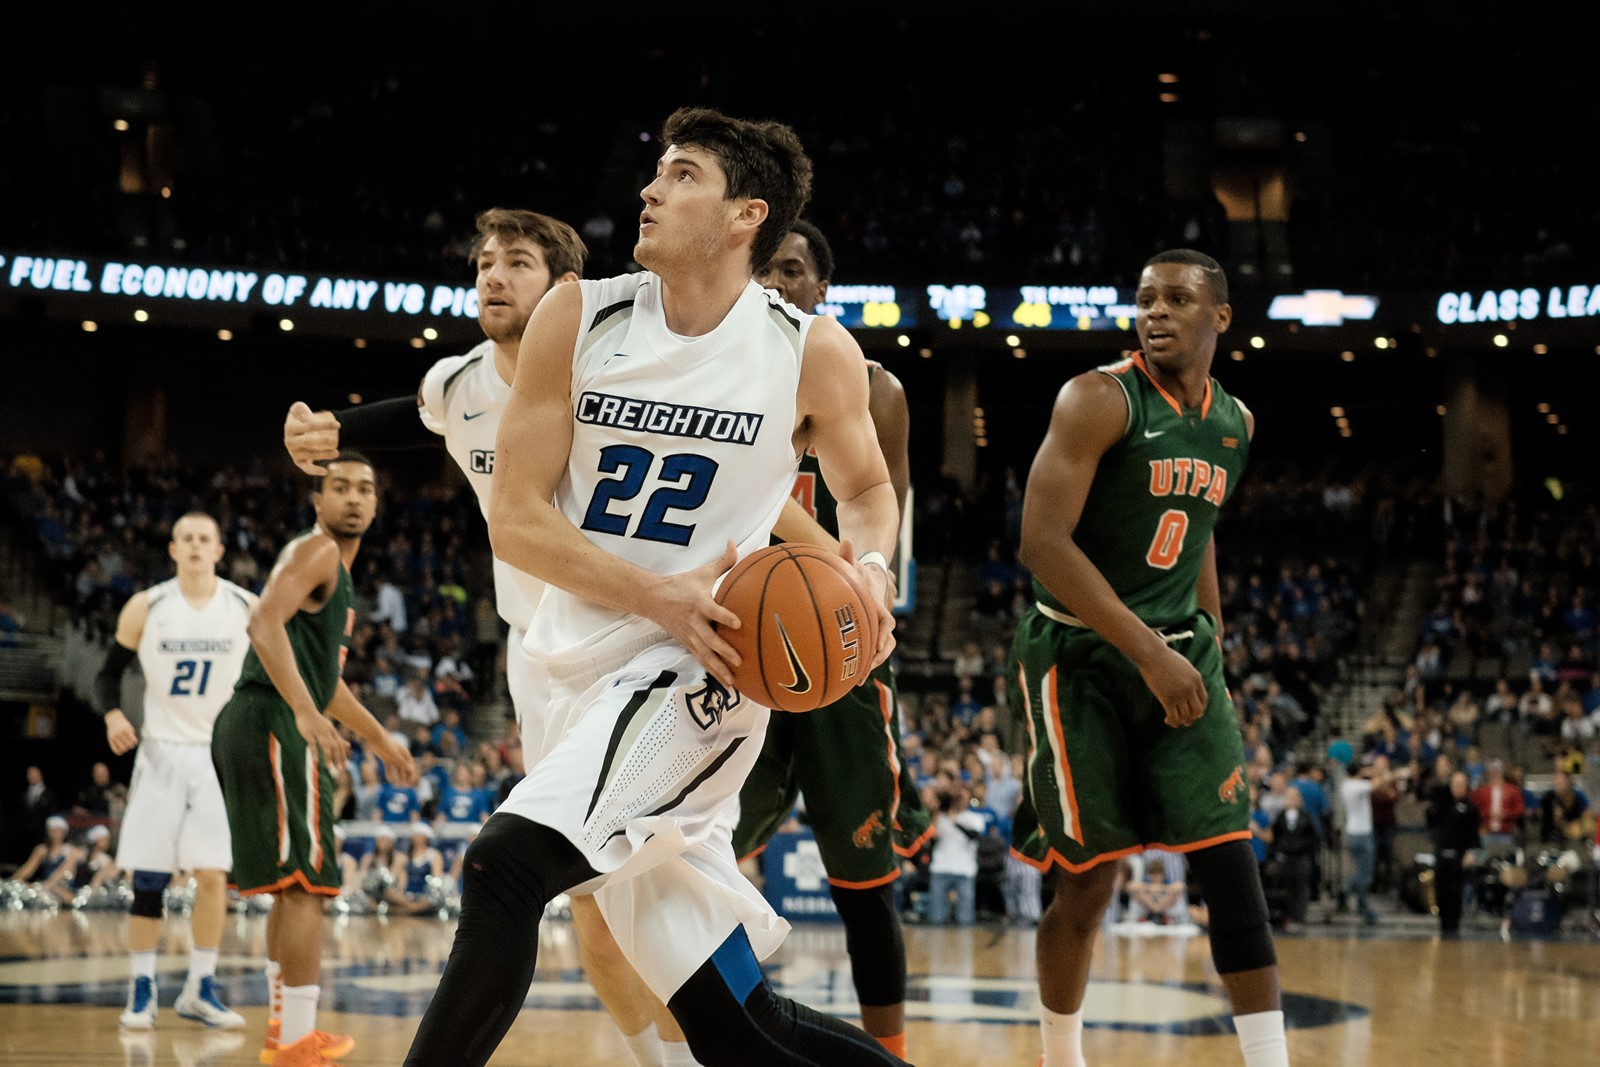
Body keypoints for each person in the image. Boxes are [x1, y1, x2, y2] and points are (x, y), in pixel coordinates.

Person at [402, 106, 905, 1067]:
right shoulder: (579, 315)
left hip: (701, 668)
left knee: (503, 867)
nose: (649, 189)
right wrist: (653, 591)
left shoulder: (811, 350)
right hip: (568, 665)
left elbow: (868, 489)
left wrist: (870, 567)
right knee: (734, 1022)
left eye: (680, 176)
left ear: (745, 215)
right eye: (656, 171)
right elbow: (516, 521)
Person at [285, 212, 704, 1066]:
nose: (492, 276)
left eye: (517, 261)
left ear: (564, 287)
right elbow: (423, 412)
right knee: (585, 894)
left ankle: (722, 1043)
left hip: (639, 641)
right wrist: (337, 430)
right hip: (540, 654)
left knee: (666, 884)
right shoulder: (464, 380)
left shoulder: (618, 371)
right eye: (483, 263)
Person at [1007, 249, 1289, 1066]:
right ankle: (1063, 1056)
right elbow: (1040, 542)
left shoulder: (1236, 422)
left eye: (1176, 299)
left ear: (1220, 317)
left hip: (1178, 650)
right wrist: (1149, 655)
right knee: (1089, 880)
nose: (1155, 312)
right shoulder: (1099, 398)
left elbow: (1197, 531)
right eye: (1144, 299)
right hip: (1079, 655)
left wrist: (1211, 638)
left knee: (1228, 854)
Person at [730, 218, 931, 1059]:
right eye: (764, 269)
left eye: (792, 269)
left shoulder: (874, 388)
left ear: (822, 287)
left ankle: (890, 1052)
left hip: (842, 655)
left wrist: (871, 587)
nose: (776, 283)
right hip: (740, 656)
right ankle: (736, 1035)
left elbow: (887, 519)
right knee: (712, 863)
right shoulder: (719, 382)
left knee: (864, 887)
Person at [211, 454, 419, 1067]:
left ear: (377, 504)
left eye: (365, 488)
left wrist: (380, 739)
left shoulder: (333, 572)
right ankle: (297, 1040)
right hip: (272, 718)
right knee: (308, 884)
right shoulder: (318, 551)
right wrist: (303, 712)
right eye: (339, 488)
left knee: (289, 887)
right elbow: (261, 621)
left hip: (259, 718)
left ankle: (285, 1030)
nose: (354, 498)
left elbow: (324, 680)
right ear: (317, 500)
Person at [94, 511, 257, 1031]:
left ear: (217, 549)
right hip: (162, 751)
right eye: (185, 537)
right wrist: (115, 713)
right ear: (172, 548)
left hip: (218, 753)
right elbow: (108, 673)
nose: (194, 545)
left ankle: (200, 988)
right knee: (149, 877)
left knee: (213, 875)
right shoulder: (147, 605)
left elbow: (274, 671)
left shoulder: (244, 606)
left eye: (203, 538)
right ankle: (141, 988)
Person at [1432, 771, 1481, 936]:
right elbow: (1432, 819)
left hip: (1459, 856)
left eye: (1461, 785)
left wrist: (1471, 852)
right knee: (1441, 891)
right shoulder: (1444, 805)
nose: (1457, 788)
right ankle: (1443, 924)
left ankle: (1454, 926)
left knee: (1455, 892)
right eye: (1454, 784)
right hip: (1442, 854)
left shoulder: (1471, 808)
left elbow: (1474, 834)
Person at [1268, 787, 1319, 932]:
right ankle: (1289, 916)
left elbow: (1312, 837)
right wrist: (1280, 849)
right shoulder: (1281, 816)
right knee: (1288, 888)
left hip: (1301, 857)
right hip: (1286, 857)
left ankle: (1300, 917)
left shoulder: (1306, 816)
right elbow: (1275, 836)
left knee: (1301, 888)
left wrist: (1302, 848)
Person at [1338, 761, 1381, 924]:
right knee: (1365, 874)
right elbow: (1377, 784)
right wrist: (1374, 772)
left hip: (1352, 832)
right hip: (1361, 833)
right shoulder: (1356, 785)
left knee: (1360, 871)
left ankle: (1351, 897)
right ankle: (1351, 896)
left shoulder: (1346, 784)